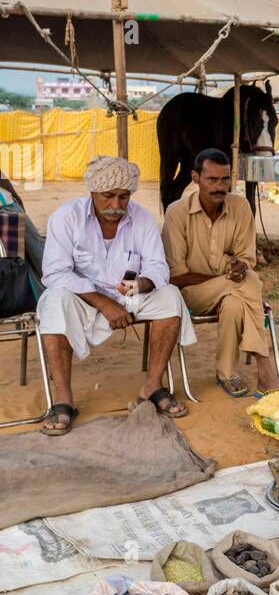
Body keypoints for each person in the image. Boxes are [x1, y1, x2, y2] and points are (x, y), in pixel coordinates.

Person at [37, 155, 195, 434]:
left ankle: (152, 386)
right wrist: (104, 303)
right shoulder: (66, 217)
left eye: (124, 197)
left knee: (170, 296)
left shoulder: (141, 218)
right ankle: (63, 399)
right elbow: (55, 273)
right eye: (108, 196)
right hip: (83, 298)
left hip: (129, 298)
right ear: (92, 192)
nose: (116, 205)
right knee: (52, 301)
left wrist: (141, 285)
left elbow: (158, 267)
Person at [161, 148, 279, 397]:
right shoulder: (176, 212)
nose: (219, 186)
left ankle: (226, 373)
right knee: (249, 282)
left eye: (225, 179)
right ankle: (265, 366)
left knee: (236, 302)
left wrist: (239, 266)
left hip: (233, 291)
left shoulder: (240, 207)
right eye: (212, 179)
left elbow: (246, 258)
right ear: (195, 177)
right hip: (191, 295)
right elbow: (176, 276)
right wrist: (229, 278)